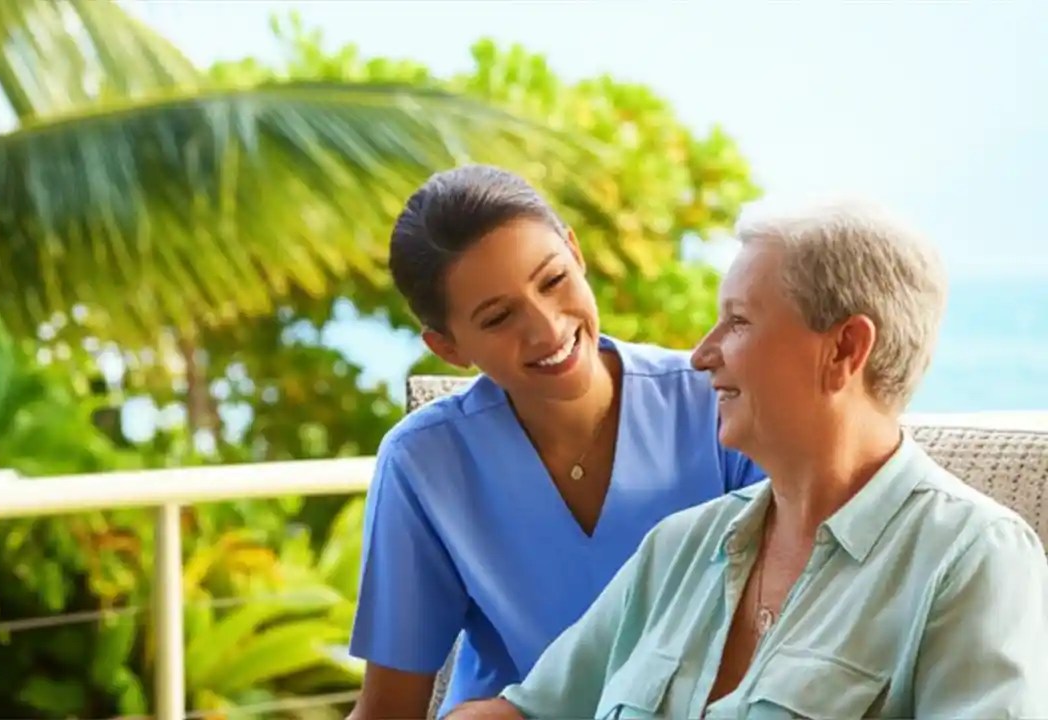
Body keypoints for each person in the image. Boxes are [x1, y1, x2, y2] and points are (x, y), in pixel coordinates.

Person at [447, 196, 1048, 719]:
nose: (703, 353)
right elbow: (523, 713)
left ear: (844, 349)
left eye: (737, 321)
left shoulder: (971, 561)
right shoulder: (678, 549)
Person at [345, 164, 766, 720]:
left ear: (575, 251)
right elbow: (388, 710)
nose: (546, 329)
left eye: (553, 280)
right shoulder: (424, 463)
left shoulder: (719, 401)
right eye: (498, 318)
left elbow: (790, 637)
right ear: (447, 347)